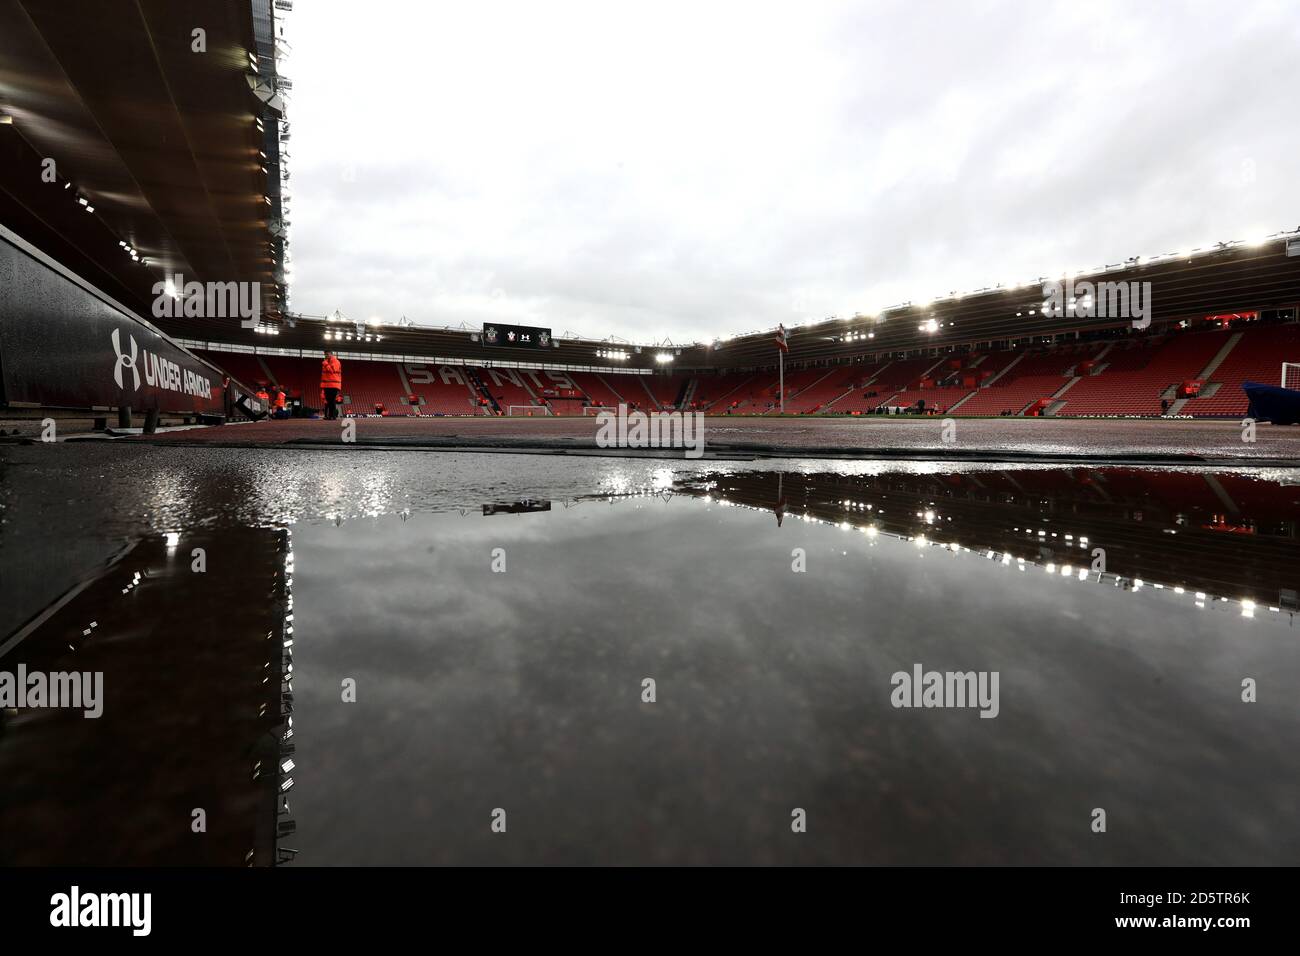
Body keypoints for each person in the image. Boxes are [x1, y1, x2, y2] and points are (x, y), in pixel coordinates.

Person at [320, 351, 343, 420]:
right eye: (325, 354)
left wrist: (326, 364)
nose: (326, 355)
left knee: (332, 400)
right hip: (327, 384)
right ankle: (330, 415)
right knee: (329, 401)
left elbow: (332, 370)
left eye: (327, 354)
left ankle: (332, 416)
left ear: (331, 354)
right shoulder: (327, 362)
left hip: (333, 384)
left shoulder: (336, 362)